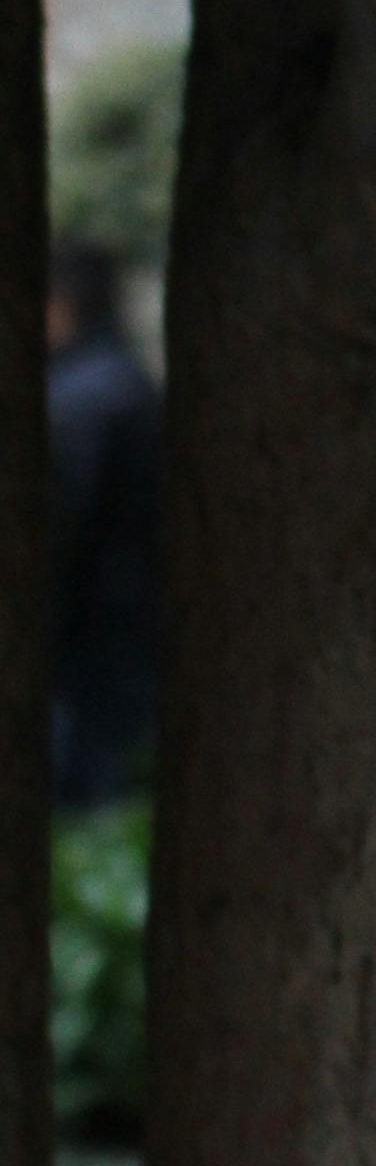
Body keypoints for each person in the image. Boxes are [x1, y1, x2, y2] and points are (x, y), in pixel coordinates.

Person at [45, 230, 160, 807]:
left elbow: (58, 527)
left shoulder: (79, 398)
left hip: (91, 647)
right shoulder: (115, 382)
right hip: (118, 641)